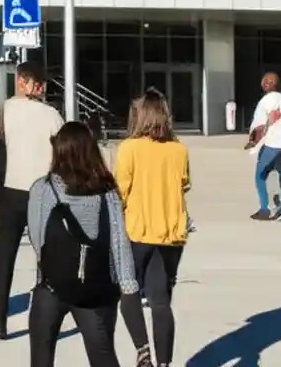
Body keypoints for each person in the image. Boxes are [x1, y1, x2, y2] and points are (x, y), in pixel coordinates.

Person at [27, 121, 138, 367]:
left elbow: (37, 239)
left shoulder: (43, 189)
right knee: (103, 357)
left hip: (52, 286)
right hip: (96, 291)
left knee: (41, 359)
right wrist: (129, 287)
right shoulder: (108, 193)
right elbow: (120, 245)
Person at [0, 60, 65, 339]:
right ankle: (44, 319)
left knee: (5, 254)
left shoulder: (3, 111)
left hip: (10, 190)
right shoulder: (52, 115)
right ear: (39, 85)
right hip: (43, 191)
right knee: (46, 257)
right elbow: (64, 155)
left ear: (20, 81)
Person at [115, 90, 191, 367]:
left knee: (129, 290)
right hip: (170, 234)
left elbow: (120, 192)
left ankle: (143, 349)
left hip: (137, 230)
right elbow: (183, 185)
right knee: (160, 301)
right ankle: (165, 362)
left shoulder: (129, 148)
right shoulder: (179, 149)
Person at [247, 72, 281, 220]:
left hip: (273, 143)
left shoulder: (266, 100)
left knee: (260, 175)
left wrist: (253, 142)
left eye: (268, 81)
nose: (265, 82)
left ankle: (265, 209)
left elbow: (262, 125)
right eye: (265, 79)